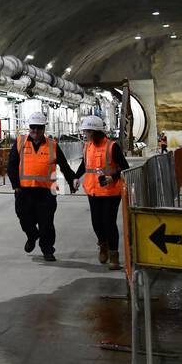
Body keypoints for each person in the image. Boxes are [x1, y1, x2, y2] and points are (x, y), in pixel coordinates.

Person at [7, 112, 77, 262]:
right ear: (29, 128)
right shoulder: (20, 142)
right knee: (24, 219)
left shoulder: (52, 145)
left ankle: (47, 250)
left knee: (46, 223)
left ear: (44, 128)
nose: (36, 131)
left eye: (39, 128)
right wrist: (16, 186)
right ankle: (32, 235)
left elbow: (64, 166)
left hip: (46, 192)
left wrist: (72, 181)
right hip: (24, 191)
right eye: (33, 128)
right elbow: (11, 165)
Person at [71, 114, 129, 268]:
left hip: (110, 192)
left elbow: (125, 167)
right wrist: (76, 177)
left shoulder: (112, 146)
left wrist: (114, 177)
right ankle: (103, 245)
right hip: (93, 191)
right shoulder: (87, 146)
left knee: (109, 222)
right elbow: (85, 165)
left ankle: (114, 255)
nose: (85, 135)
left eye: (87, 132)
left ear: (95, 132)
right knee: (96, 223)